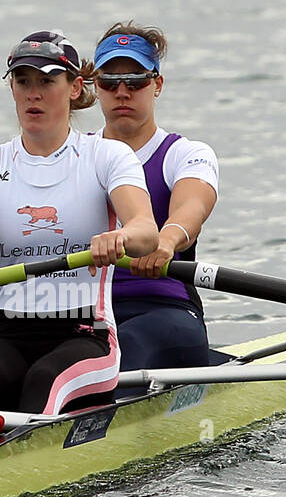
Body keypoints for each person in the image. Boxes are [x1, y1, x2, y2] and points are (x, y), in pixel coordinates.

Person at [0, 30, 157, 415]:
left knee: (45, 380)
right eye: (23, 81)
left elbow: (145, 230)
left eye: (47, 81)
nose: (33, 93)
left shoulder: (107, 157)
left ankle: (16, 458)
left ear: (74, 88)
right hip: (7, 330)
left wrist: (120, 237)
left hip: (86, 331)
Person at [91, 22, 220, 386]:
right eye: (109, 83)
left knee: (125, 348)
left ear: (157, 85)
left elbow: (191, 210)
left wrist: (165, 242)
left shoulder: (184, 154)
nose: (122, 92)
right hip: (83, 314)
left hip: (164, 309)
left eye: (135, 82)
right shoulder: (73, 154)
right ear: (94, 88)